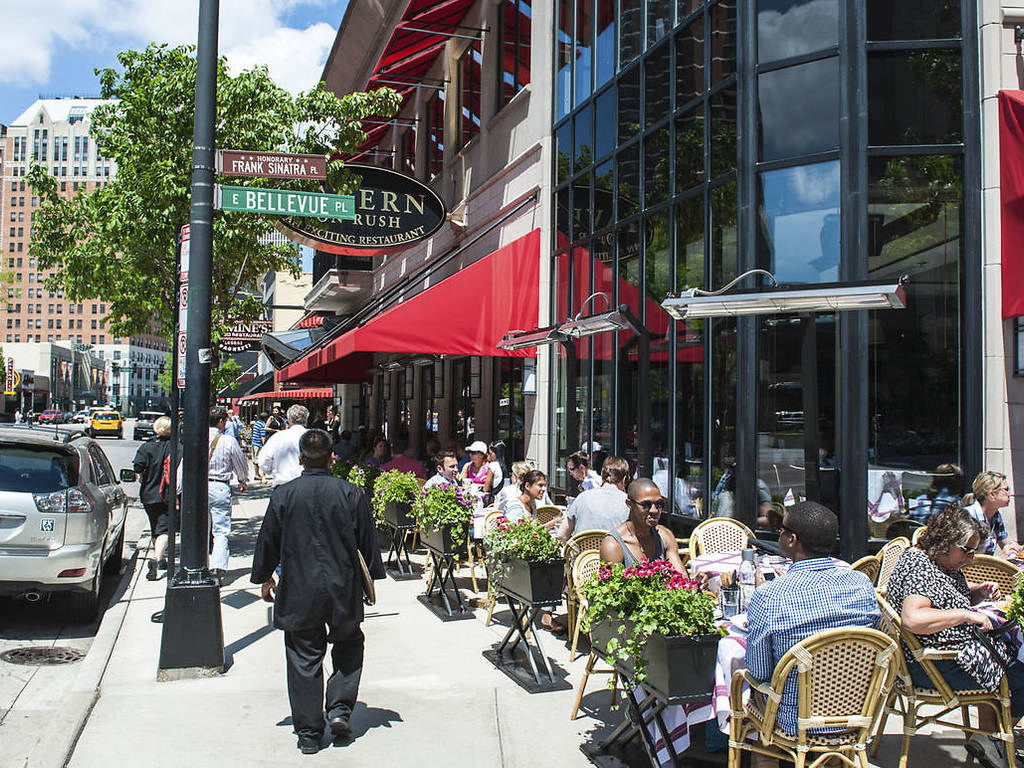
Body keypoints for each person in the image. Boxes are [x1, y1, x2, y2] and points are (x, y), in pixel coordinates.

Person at [250, 429, 385, 755]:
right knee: (349, 644)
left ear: (300, 459)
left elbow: (268, 539)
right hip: (342, 586)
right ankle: (338, 709)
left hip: (299, 588)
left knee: (303, 656)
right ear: (330, 458)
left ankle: (309, 733)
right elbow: (367, 543)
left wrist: (265, 576)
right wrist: (371, 582)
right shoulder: (350, 493)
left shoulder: (284, 495)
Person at [887, 504, 1024, 767]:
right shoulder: (919, 568)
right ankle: (993, 740)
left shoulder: (933, 560)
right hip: (934, 664)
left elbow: (942, 595)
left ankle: (989, 739)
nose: (971, 558)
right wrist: (964, 614)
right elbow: (914, 618)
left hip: (947, 655)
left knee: (1012, 661)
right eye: (967, 551)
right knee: (1019, 674)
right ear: (946, 541)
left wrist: (977, 591)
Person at [745, 501, 879, 740]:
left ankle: (764, 757)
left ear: (792, 539)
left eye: (782, 530)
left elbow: (759, 671)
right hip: (857, 713)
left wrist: (762, 595)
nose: (780, 534)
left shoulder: (769, 595)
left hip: (794, 721)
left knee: (745, 690)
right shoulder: (862, 584)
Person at [600, 478, 687, 573]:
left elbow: (681, 578)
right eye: (646, 505)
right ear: (630, 504)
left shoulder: (665, 536)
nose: (654, 510)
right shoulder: (613, 545)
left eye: (659, 504)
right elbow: (612, 586)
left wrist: (697, 580)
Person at [206, 406, 249, 584]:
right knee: (221, 531)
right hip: (220, 487)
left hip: (199, 487)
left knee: (200, 530)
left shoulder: (197, 437)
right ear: (221, 421)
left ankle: (200, 566)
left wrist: (178, 489)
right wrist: (242, 479)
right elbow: (240, 463)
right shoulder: (228, 441)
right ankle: (217, 568)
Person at [132, 416, 175, 580]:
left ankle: (161, 558)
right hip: (166, 494)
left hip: (148, 494)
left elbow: (137, 467)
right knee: (165, 529)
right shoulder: (176, 446)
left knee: (155, 526)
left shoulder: (146, 447)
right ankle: (157, 560)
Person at [559, 455, 630, 541]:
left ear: (603, 476)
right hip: (616, 553)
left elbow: (561, 536)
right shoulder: (630, 504)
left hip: (585, 553)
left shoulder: (582, 498)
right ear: (624, 479)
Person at [963, 470, 1022, 558]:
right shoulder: (968, 516)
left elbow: (1005, 544)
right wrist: (999, 558)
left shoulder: (996, 516)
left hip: (984, 569)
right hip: (968, 569)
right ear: (992, 494)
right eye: (1006, 490)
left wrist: (1015, 548)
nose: (1009, 494)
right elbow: (963, 557)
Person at [258, 404, 309, 487]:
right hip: (308, 485)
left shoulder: (278, 437)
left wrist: (272, 470)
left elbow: (263, 461)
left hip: (284, 485)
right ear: (306, 420)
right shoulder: (314, 436)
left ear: (289, 420)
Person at [250, 412, 267, 482]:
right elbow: (262, 436)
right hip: (258, 444)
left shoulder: (257, 423)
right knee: (258, 459)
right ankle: (257, 475)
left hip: (254, 442)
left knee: (255, 459)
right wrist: (264, 445)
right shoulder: (262, 424)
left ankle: (256, 474)